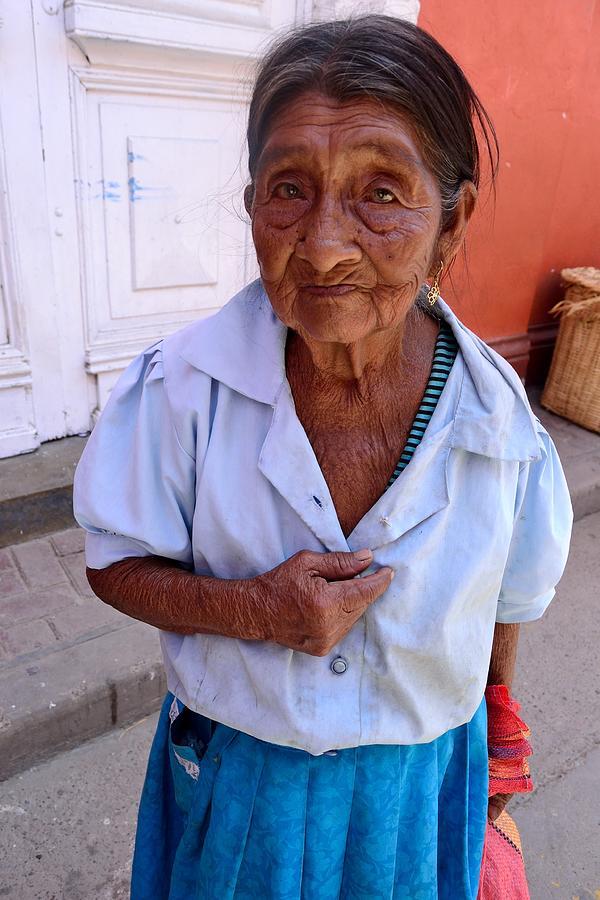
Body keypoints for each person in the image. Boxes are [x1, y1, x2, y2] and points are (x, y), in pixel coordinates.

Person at [73, 15, 573, 899]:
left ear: (452, 223)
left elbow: (510, 597)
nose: (326, 242)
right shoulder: (181, 390)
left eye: (382, 192)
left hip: (417, 791)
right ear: (252, 207)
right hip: (238, 783)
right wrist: (254, 610)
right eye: (290, 188)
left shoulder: (500, 426)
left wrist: (498, 741)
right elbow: (117, 563)